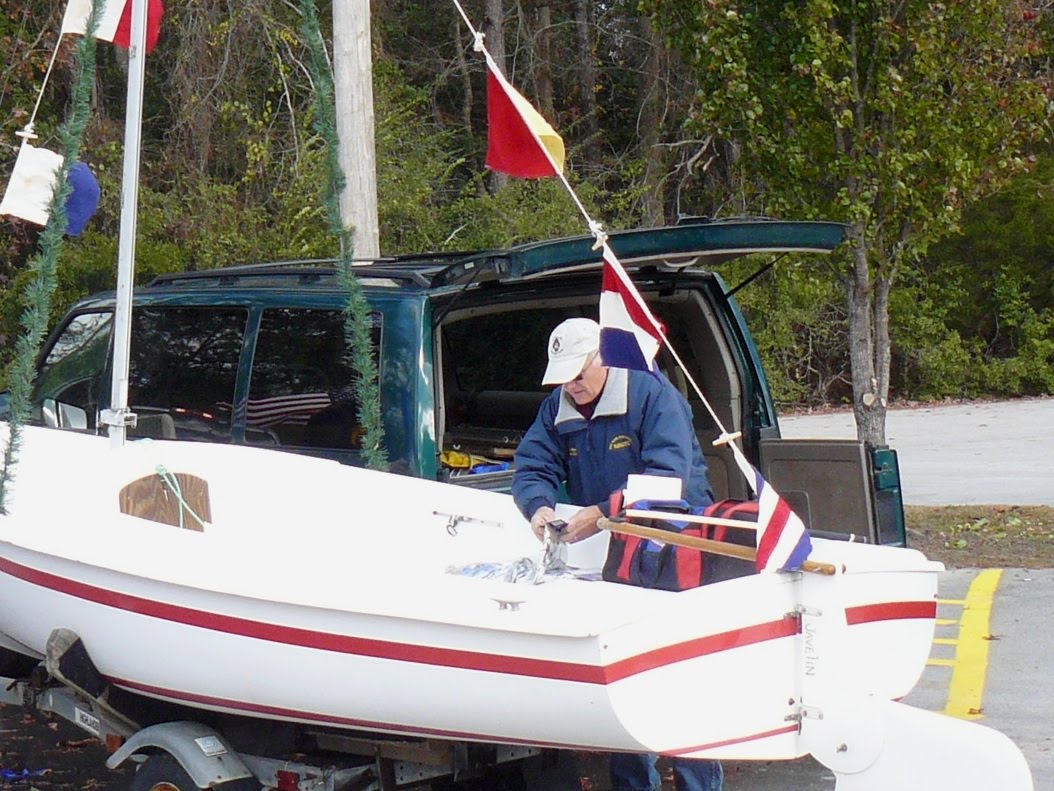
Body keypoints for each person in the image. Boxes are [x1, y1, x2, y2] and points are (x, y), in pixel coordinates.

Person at [511, 317, 723, 791]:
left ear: (602, 358)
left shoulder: (653, 395)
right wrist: (539, 506)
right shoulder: (558, 406)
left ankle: (698, 784)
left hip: (675, 548)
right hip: (612, 557)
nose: (572, 384)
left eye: (579, 372)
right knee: (625, 680)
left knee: (684, 680)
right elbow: (531, 465)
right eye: (562, 375)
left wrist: (601, 513)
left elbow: (670, 480)